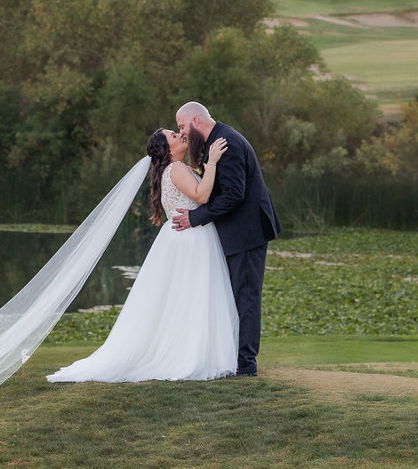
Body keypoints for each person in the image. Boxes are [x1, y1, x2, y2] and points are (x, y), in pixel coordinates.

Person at [47, 127, 238, 384]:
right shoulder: (176, 169)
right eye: (173, 135)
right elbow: (202, 196)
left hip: (184, 238)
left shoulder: (176, 169)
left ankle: (191, 352)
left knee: (185, 298)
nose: (179, 135)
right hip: (190, 240)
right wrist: (212, 162)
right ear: (168, 149)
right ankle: (191, 356)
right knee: (193, 295)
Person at [171, 100, 280, 377]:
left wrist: (195, 217)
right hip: (236, 232)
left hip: (247, 232)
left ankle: (246, 364)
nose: (182, 133)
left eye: (182, 126)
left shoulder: (226, 143)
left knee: (246, 297)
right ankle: (232, 357)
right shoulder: (214, 143)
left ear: (196, 121)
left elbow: (233, 195)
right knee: (234, 297)